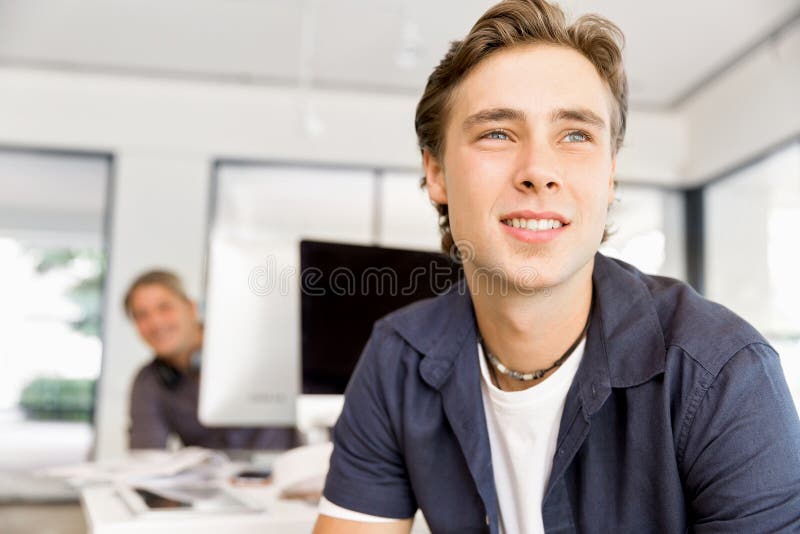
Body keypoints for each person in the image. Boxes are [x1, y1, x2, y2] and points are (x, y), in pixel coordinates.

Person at [314, 1, 800, 532]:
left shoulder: (724, 374)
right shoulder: (397, 360)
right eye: (497, 132)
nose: (539, 171)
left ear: (610, 176)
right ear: (437, 174)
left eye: (575, 135)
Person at [125, 269, 297, 450]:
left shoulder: (254, 347)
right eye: (142, 315)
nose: (155, 322)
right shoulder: (149, 382)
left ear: (192, 308)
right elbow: (146, 456)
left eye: (164, 308)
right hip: (214, 476)